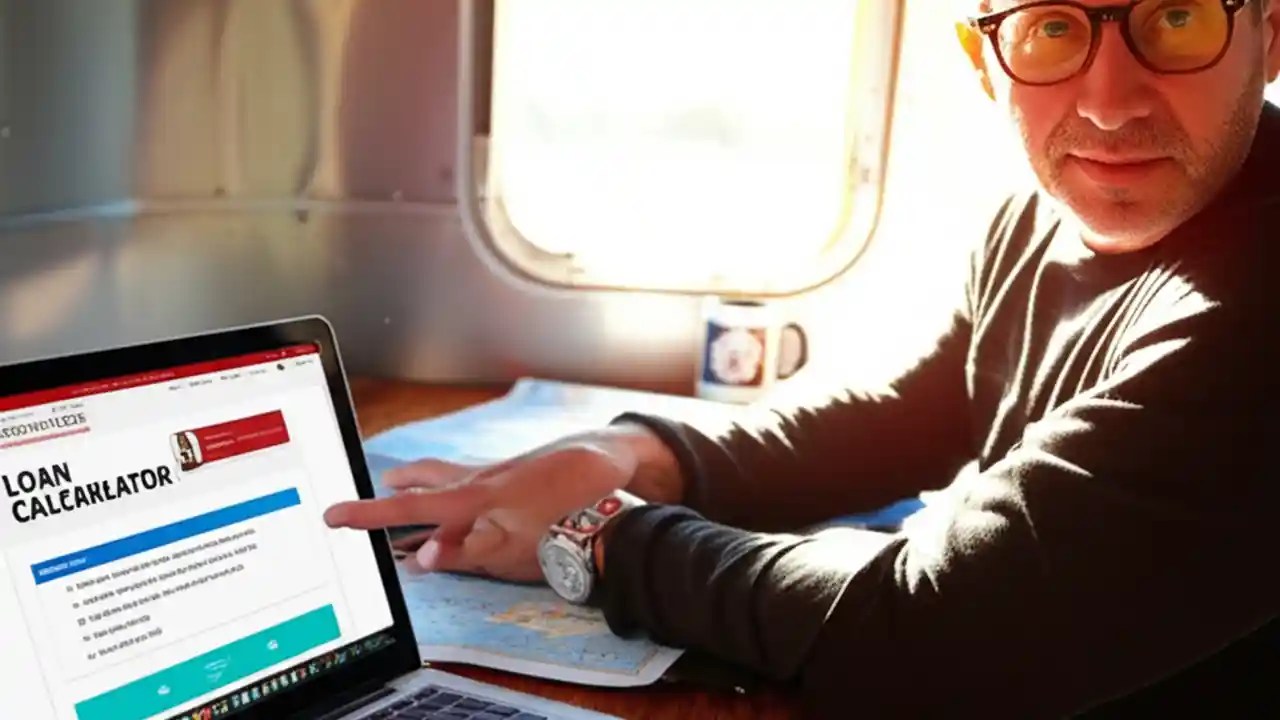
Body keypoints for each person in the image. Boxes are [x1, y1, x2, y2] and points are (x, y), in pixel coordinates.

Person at [326, 1, 1280, 716]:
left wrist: (596, 536)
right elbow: (924, 405)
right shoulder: (1048, 207)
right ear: (986, 61)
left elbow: (935, 631)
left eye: (1177, 17)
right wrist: (635, 459)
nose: (1109, 106)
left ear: (1270, 35)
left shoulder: (1253, 319)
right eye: (1052, 31)